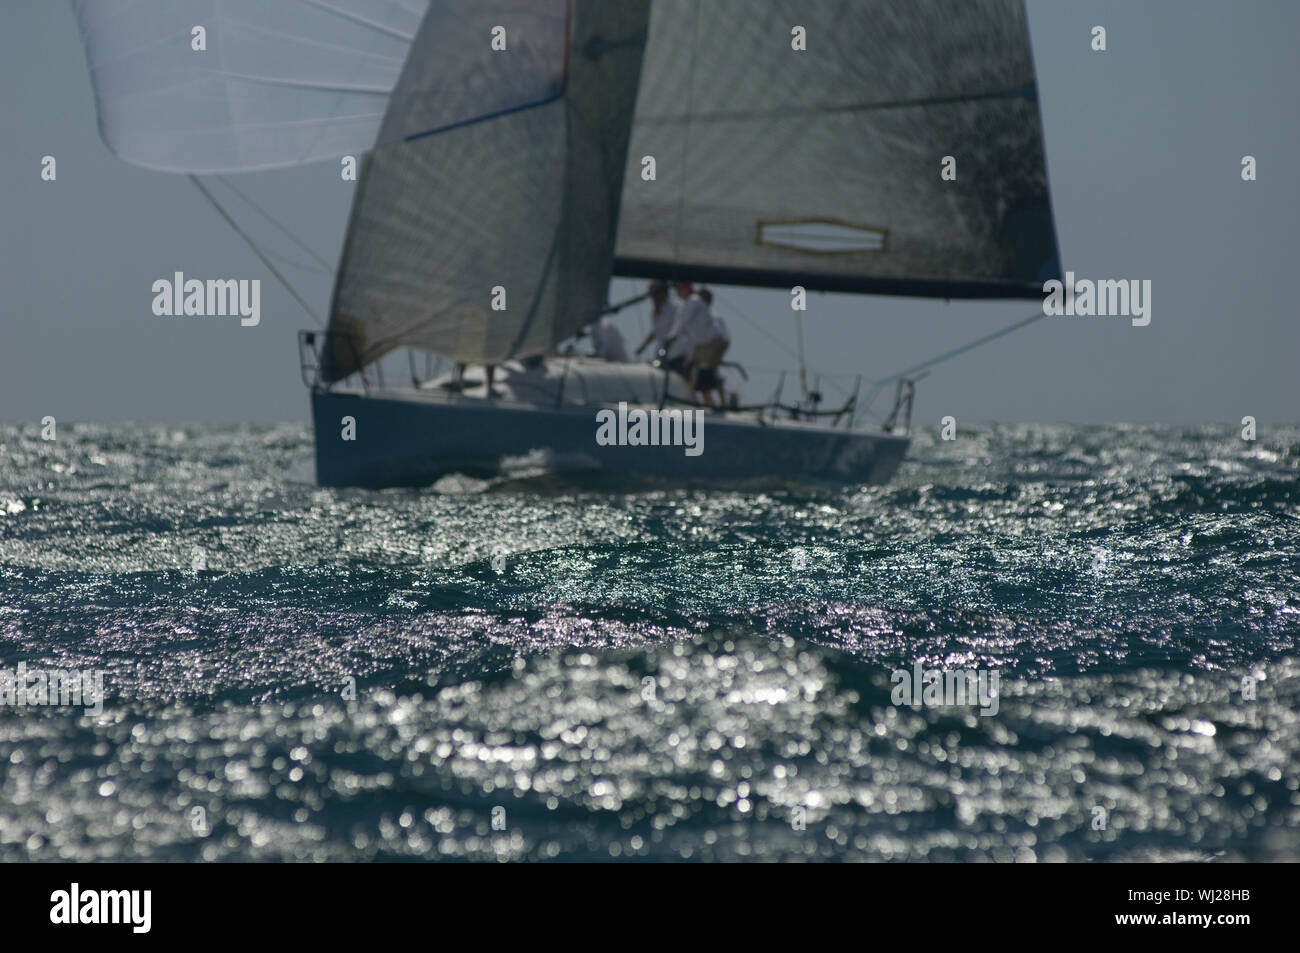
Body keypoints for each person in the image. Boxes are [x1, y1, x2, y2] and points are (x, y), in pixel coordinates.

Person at [692, 288, 730, 407]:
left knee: (714, 378)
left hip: (710, 354)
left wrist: (716, 356)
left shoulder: (715, 317)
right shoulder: (696, 318)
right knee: (701, 380)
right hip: (700, 354)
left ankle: (722, 404)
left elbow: (724, 338)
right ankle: (709, 403)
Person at [634, 280, 679, 365]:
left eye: (656, 293)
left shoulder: (675, 310)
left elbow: (678, 331)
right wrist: (643, 347)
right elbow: (656, 331)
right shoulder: (654, 313)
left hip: (676, 354)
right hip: (661, 353)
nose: (654, 297)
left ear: (664, 293)